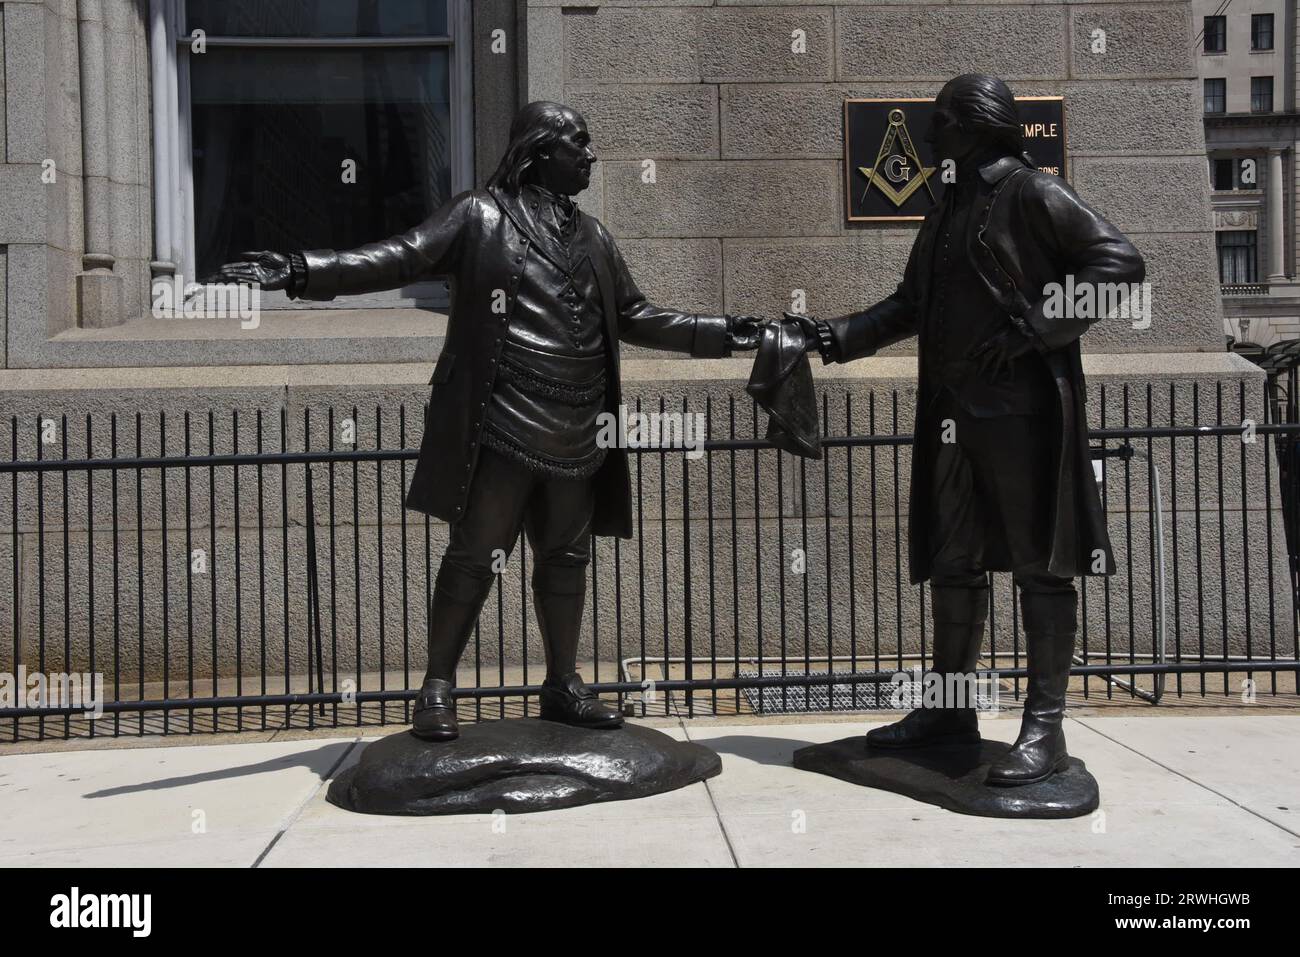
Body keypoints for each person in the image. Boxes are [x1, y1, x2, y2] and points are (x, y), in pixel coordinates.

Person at [218, 102, 764, 741]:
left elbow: (639, 315)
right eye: (579, 144)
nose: (591, 155)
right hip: (502, 417)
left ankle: (563, 683)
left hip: (580, 424)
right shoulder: (478, 215)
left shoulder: (594, 237)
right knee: (475, 555)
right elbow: (401, 255)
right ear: (539, 151)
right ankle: (438, 688)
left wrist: (727, 333)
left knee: (567, 557)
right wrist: (305, 270)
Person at [794, 75, 1144, 785]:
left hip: (1021, 418)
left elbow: (1121, 264)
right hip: (952, 417)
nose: (931, 136)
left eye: (942, 123)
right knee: (955, 561)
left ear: (978, 126)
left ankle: (1043, 728)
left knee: (1041, 570)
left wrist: (1037, 329)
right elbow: (906, 307)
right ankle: (951, 710)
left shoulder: (1033, 192)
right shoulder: (949, 206)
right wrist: (824, 336)